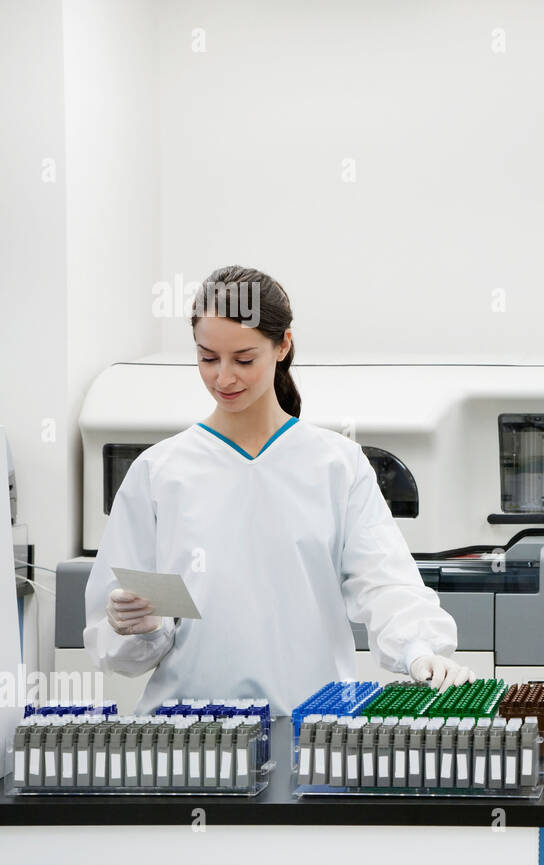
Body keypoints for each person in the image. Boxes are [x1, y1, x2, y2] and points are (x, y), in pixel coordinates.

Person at [84, 265, 473, 715]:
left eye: (244, 359)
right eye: (208, 358)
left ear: (283, 345)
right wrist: (140, 627)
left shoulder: (335, 465)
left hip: (314, 729)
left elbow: (384, 581)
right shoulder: (159, 472)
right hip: (188, 735)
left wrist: (420, 648)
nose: (224, 378)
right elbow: (118, 638)